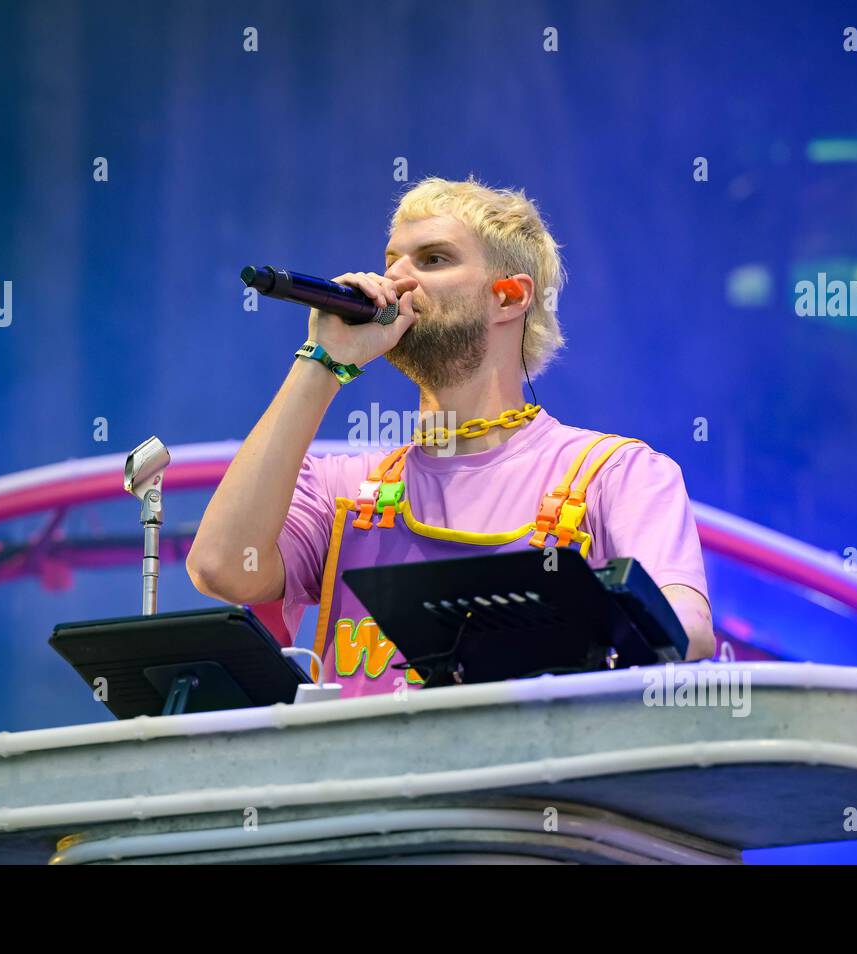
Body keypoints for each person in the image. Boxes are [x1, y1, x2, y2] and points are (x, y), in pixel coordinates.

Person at [187, 176, 714, 697]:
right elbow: (220, 568)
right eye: (392, 260)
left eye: (433, 259)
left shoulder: (615, 473)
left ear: (510, 297)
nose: (396, 278)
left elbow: (686, 632)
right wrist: (322, 362)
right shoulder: (341, 489)